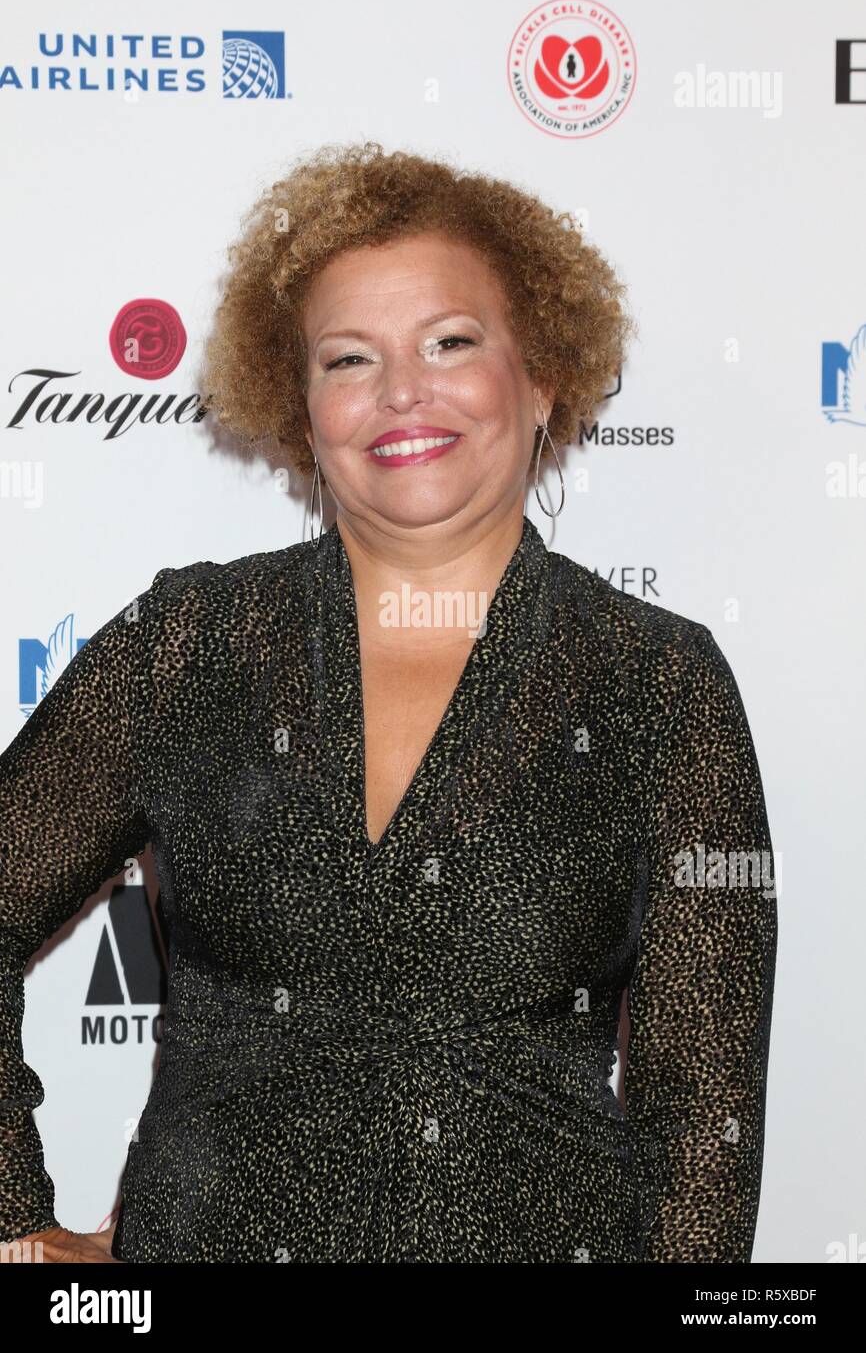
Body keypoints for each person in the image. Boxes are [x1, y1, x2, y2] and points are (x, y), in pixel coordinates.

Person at [0, 141, 777, 1263]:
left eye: (450, 342)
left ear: (542, 372)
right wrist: (18, 1223)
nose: (401, 391)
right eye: (348, 358)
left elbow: (703, 1110)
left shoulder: (657, 680)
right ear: (300, 407)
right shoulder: (190, 645)